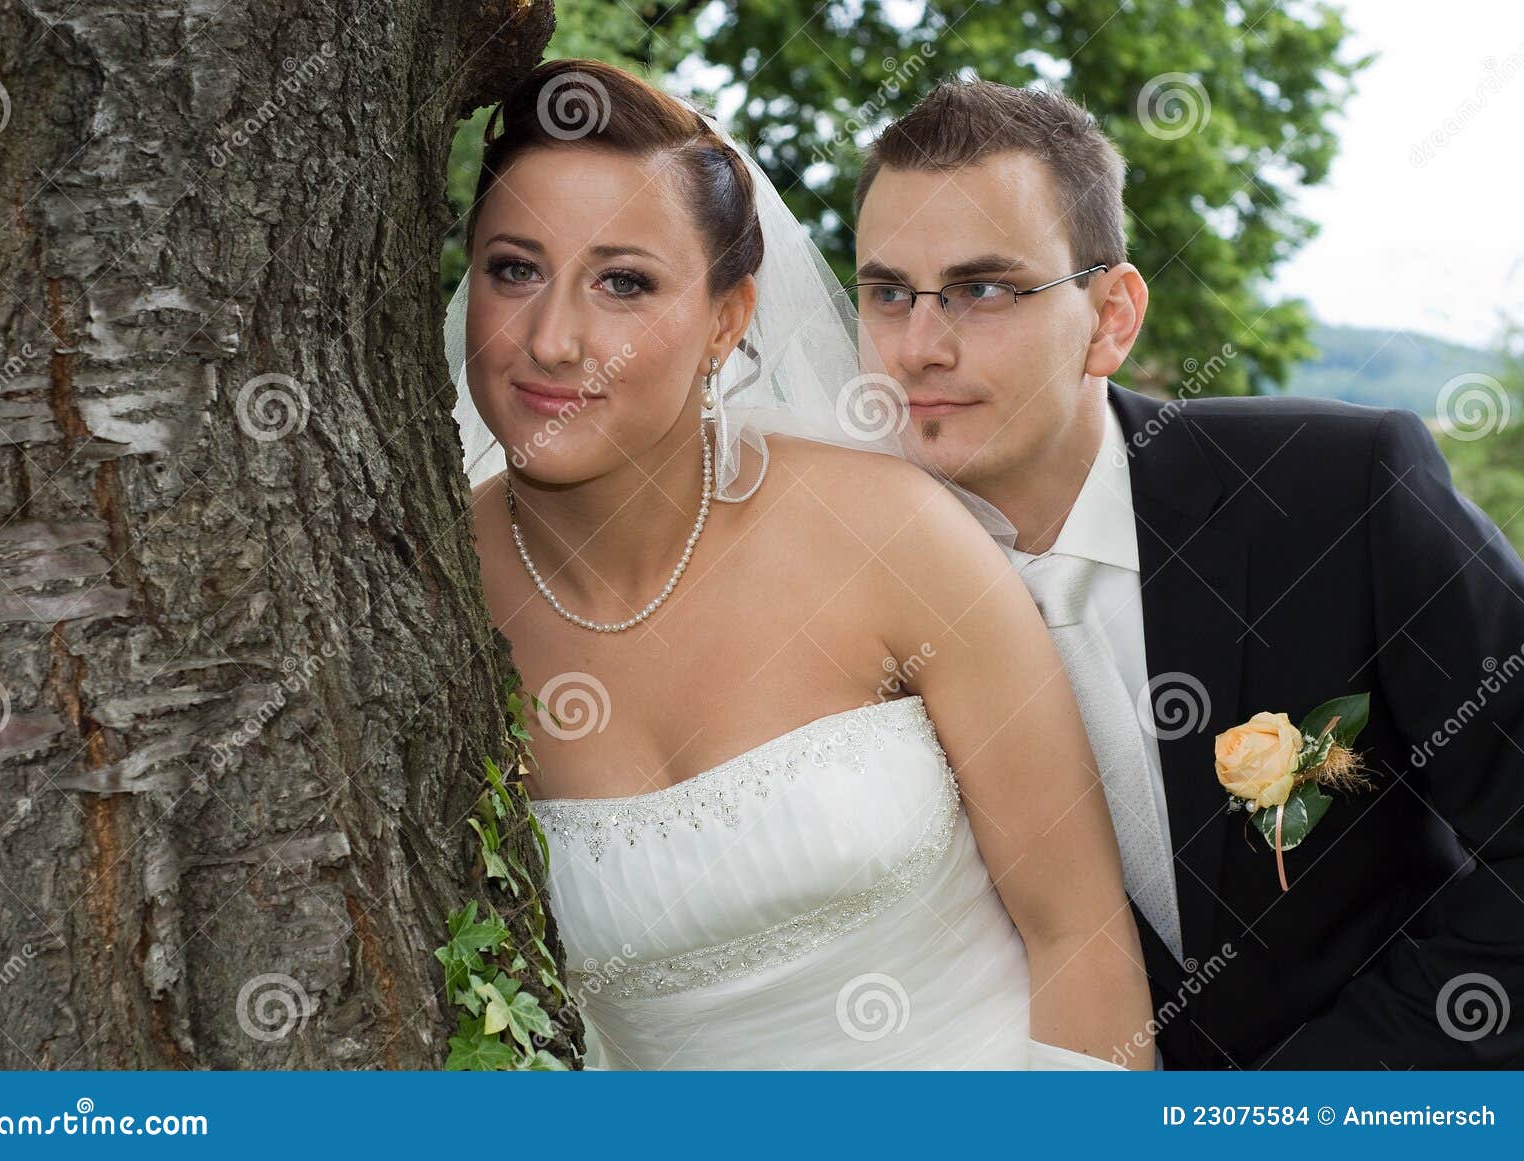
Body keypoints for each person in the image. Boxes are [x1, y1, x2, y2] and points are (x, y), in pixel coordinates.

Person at [446, 59, 1151, 1069]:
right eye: (513, 270)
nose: (553, 340)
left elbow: (1079, 941)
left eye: (624, 282)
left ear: (729, 320)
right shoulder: (435, 605)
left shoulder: (892, 534)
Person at [853, 77, 1524, 1068]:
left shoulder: (1343, 491)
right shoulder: (843, 588)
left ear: (1111, 317)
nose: (917, 347)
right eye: (886, 292)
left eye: (983, 289)